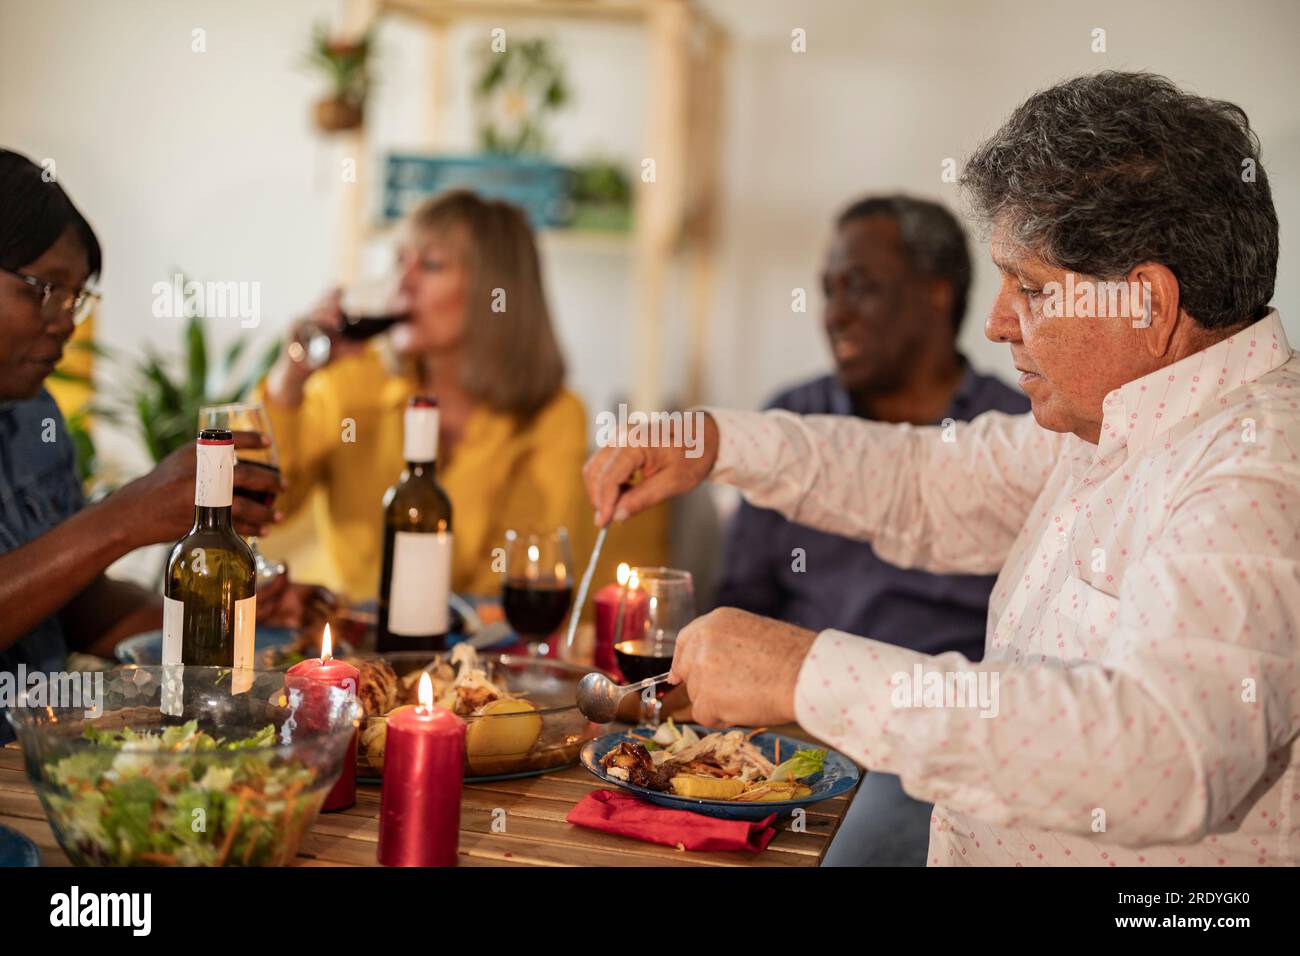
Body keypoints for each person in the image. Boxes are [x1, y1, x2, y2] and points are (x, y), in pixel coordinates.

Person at [584, 72, 1299, 866]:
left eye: (1028, 288)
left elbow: (1160, 758)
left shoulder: (1262, 470)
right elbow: (929, 480)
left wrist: (807, 672)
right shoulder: (1118, 421)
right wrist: (712, 443)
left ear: (1147, 305)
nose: (995, 322)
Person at [714, 195, 1028, 865]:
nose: (835, 311)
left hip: (928, 747)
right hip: (788, 730)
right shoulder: (793, 420)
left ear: (936, 295)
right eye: (827, 289)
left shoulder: (1018, 432)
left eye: (860, 285)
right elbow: (739, 599)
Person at [0, 149, 328, 742]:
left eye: (76, 297)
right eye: (45, 288)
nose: (66, 321)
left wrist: (220, 621)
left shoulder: (34, 414)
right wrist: (122, 518)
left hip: (40, 758)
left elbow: (72, 606)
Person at [261, 190, 664, 603]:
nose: (403, 282)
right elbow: (263, 508)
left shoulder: (553, 416)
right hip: (336, 644)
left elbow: (521, 577)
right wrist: (288, 380)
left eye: (431, 264)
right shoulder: (350, 384)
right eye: (400, 261)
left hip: (471, 654)